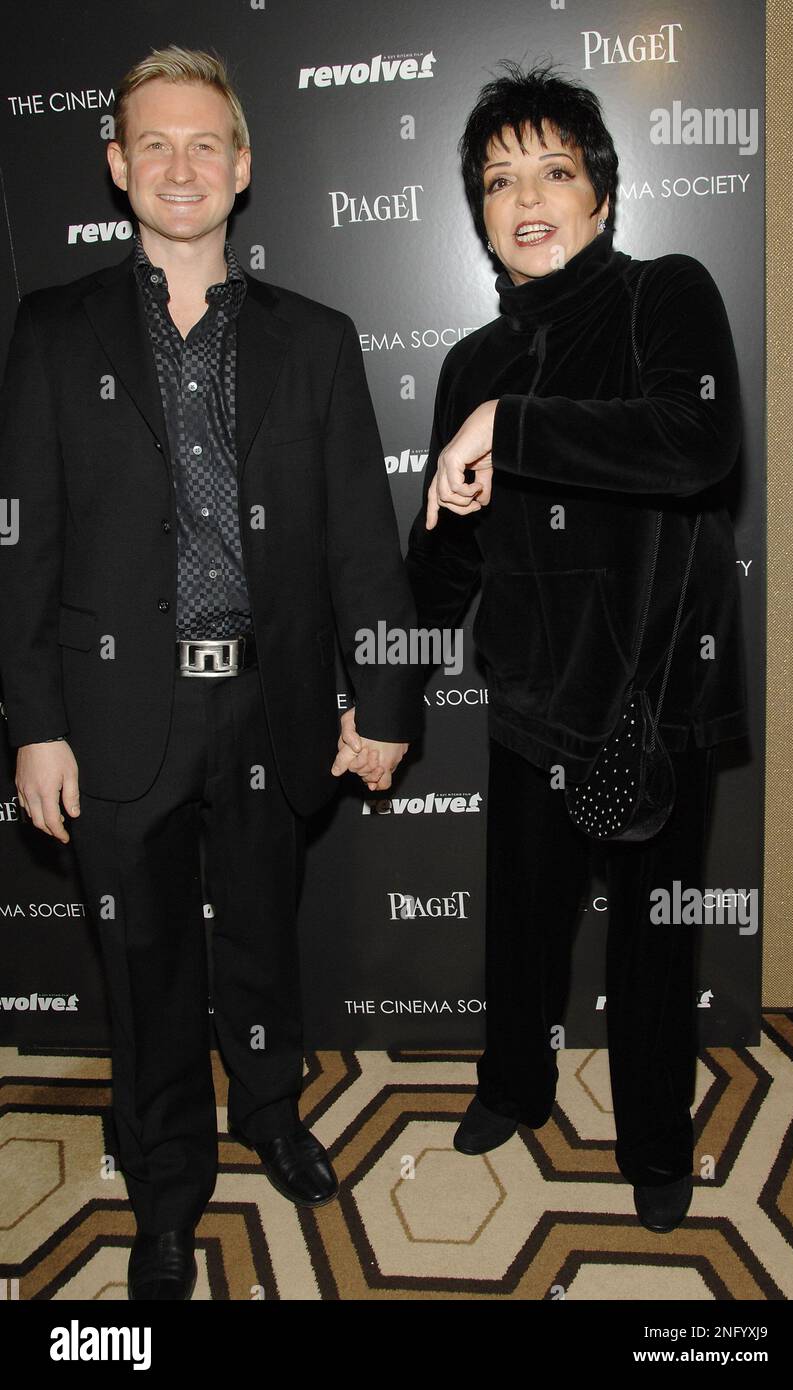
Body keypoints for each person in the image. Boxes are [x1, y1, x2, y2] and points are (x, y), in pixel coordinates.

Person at [0, 45, 420, 1299]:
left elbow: (361, 537)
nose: (181, 167)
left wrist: (387, 698)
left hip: (267, 698)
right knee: (143, 966)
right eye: (155, 144)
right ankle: (168, 1191)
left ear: (243, 167)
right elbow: (21, 538)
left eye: (206, 144)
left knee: (260, 941)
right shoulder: (52, 328)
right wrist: (35, 721)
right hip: (114, 705)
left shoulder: (318, 340)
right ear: (119, 166)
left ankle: (272, 1115)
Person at [402, 62, 750, 1233]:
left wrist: (516, 427)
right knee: (521, 925)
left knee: (652, 952)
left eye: (553, 169)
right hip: (529, 706)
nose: (526, 196)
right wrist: (382, 689)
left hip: (652, 703)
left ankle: (654, 1140)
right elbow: (444, 568)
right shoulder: (468, 363)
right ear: (479, 216)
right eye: (498, 180)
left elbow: (696, 439)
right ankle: (513, 1080)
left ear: (600, 192)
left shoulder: (666, 295)